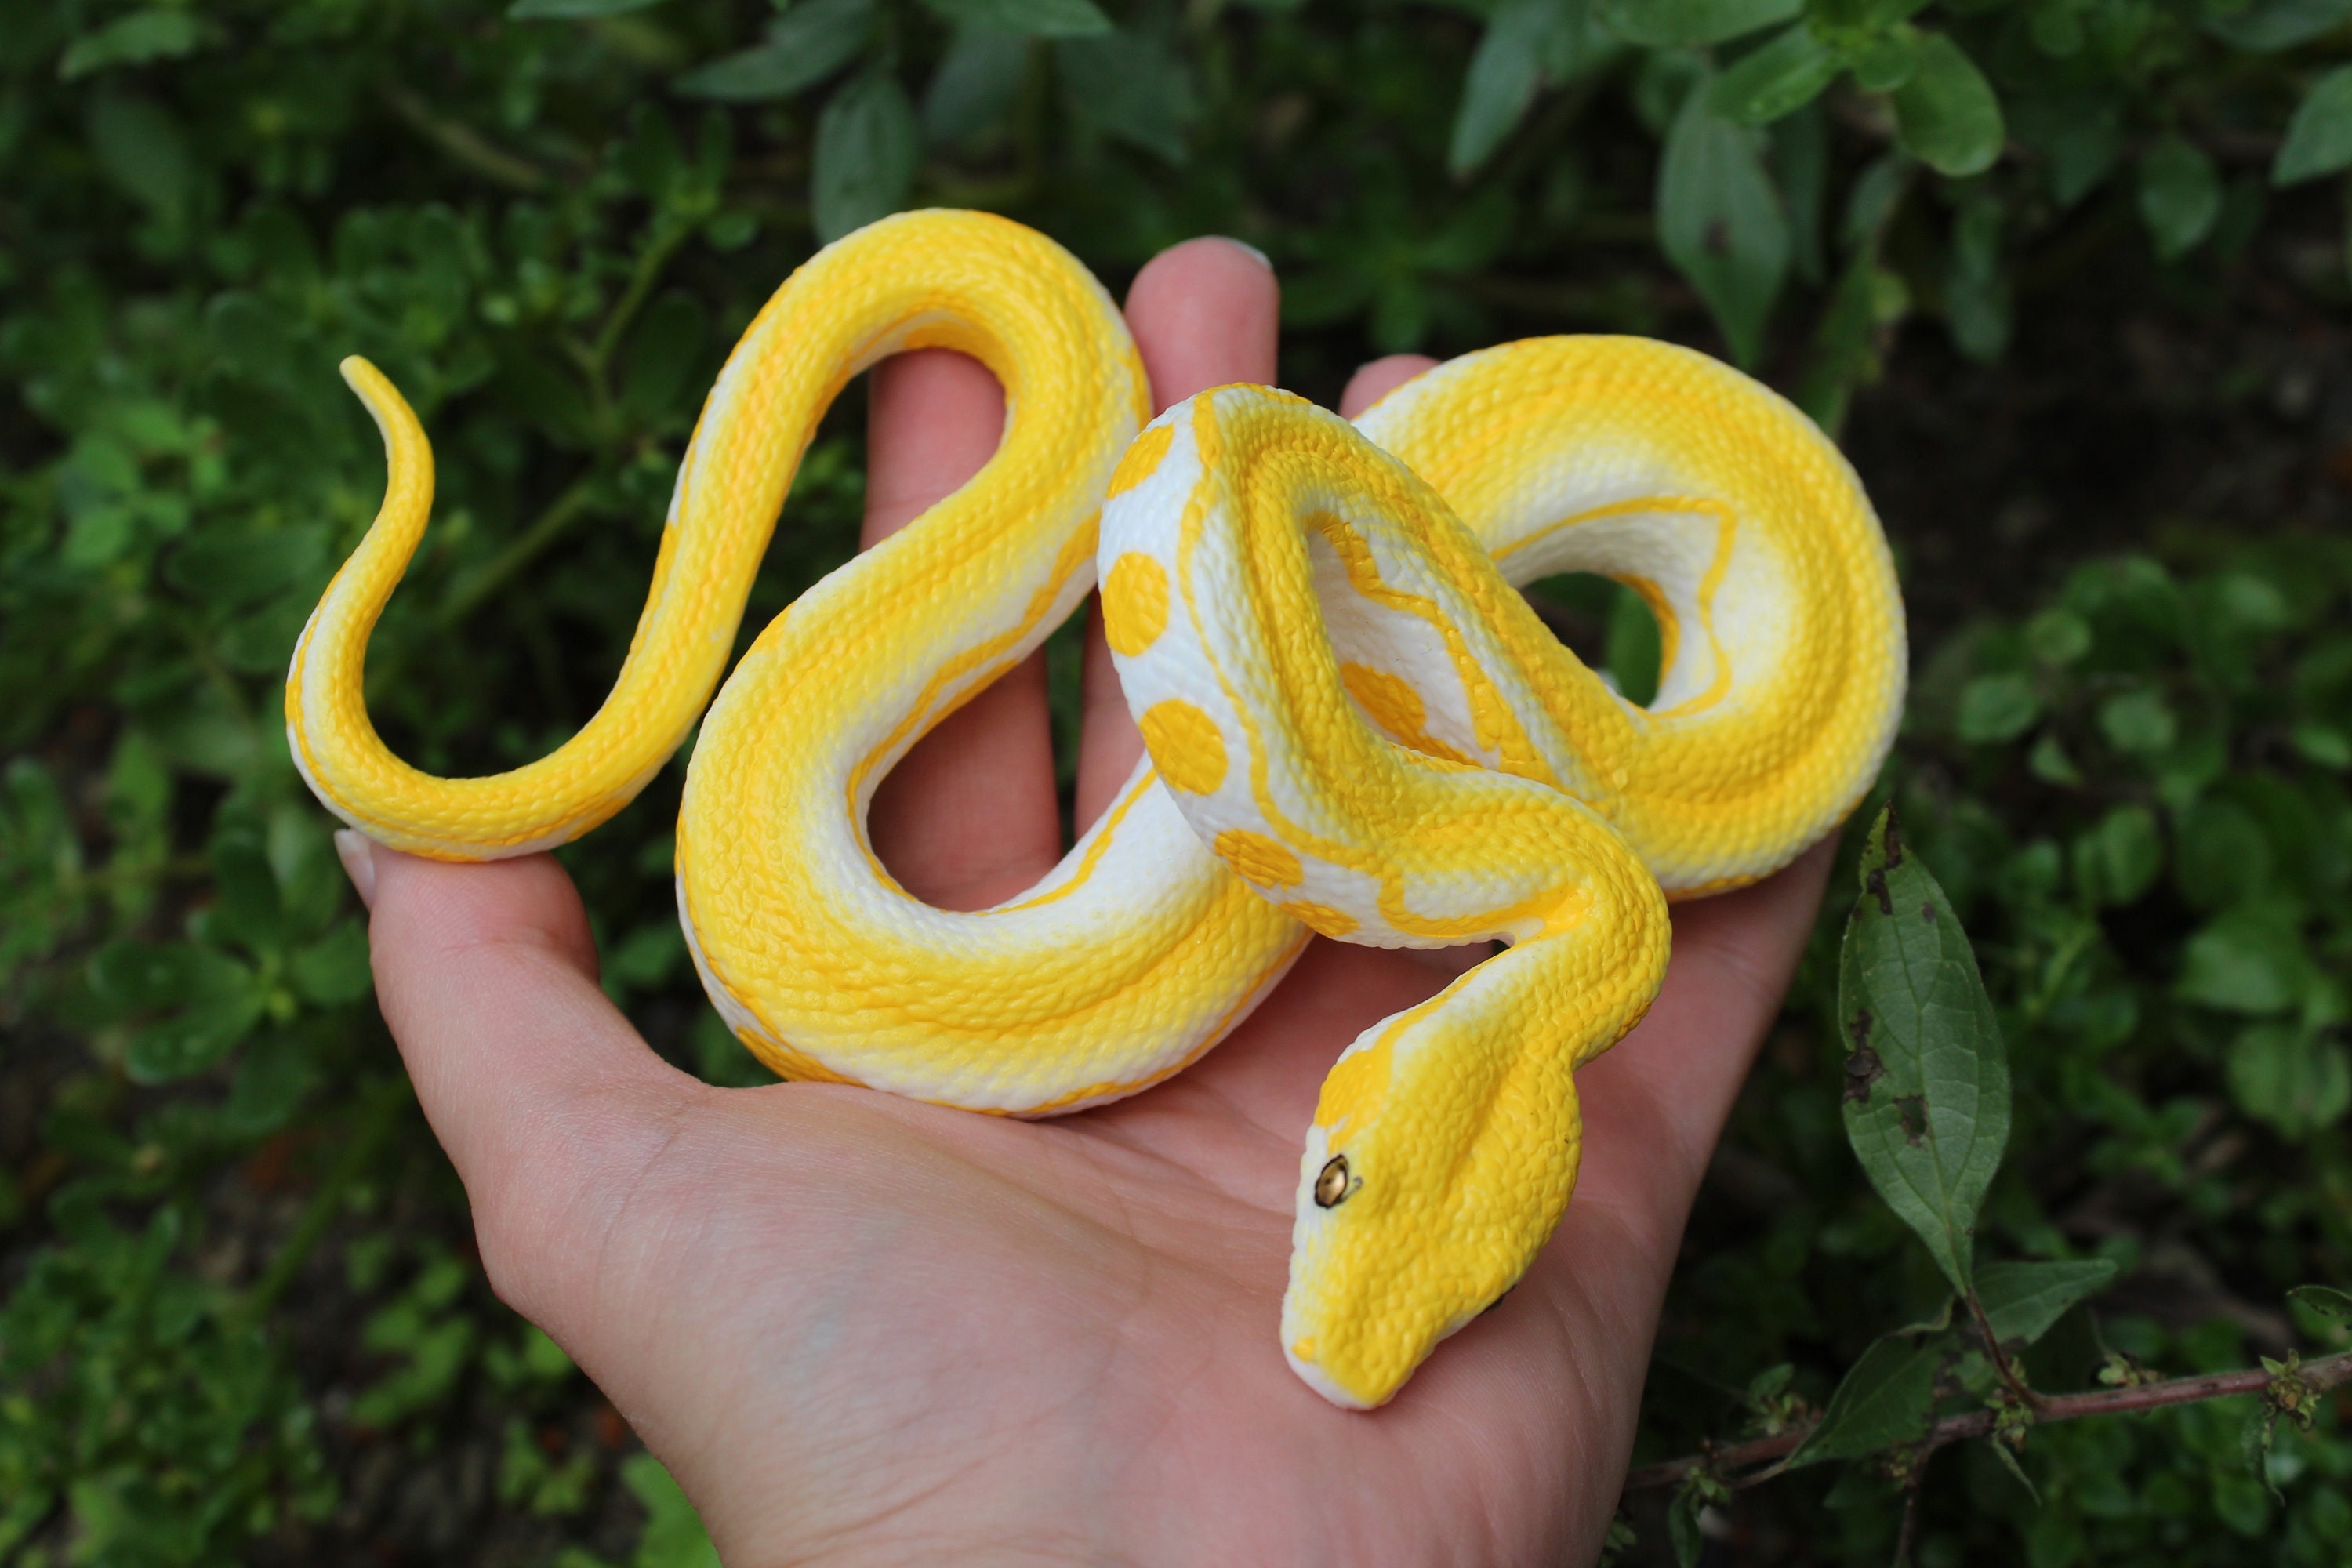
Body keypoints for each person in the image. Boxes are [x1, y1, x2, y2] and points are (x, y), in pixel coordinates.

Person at [333, 235, 1835, 1566]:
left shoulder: (1563, 889)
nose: (1339, 1346)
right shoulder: (1571, 885)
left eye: (1340, 1191)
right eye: (1337, 1190)